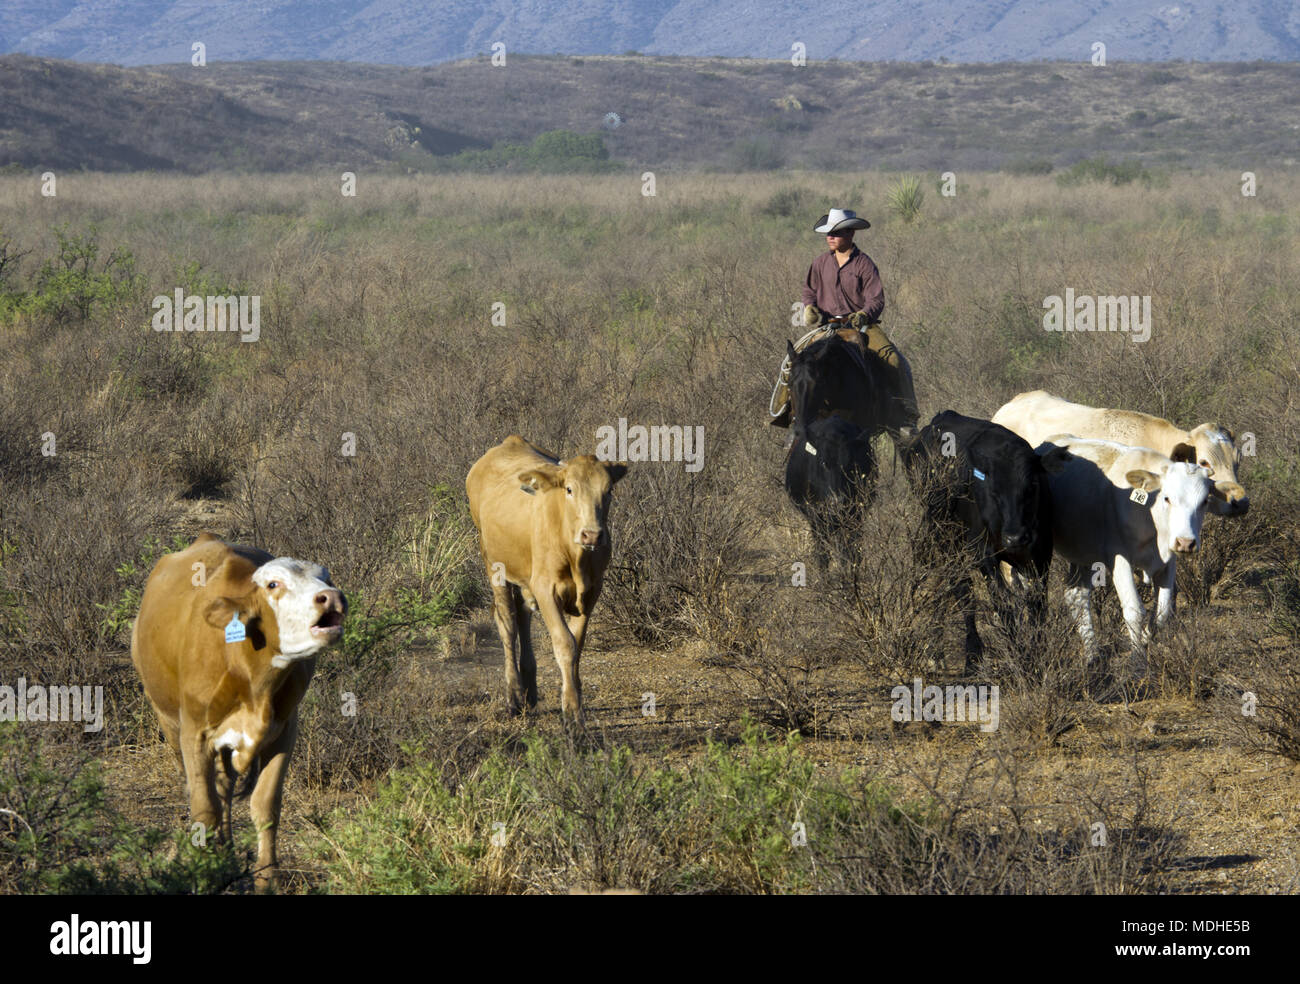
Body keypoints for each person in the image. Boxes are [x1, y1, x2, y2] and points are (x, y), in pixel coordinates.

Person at [769, 208, 919, 437]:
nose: (830, 237)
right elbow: (809, 290)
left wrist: (863, 314)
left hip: (862, 326)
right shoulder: (819, 263)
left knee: (893, 358)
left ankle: (905, 415)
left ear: (851, 234)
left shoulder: (864, 264)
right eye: (829, 233)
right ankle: (786, 412)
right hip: (827, 326)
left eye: (836, 233)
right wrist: (809, 308)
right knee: (796, 360)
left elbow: (876, 298)